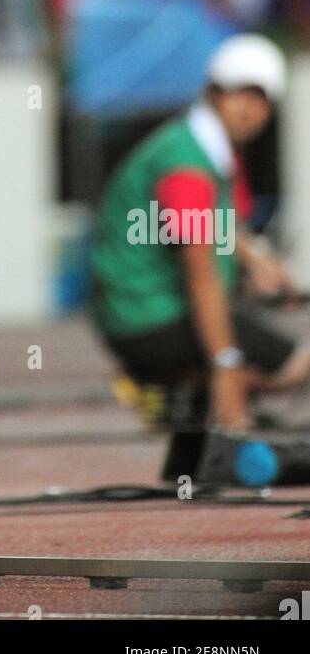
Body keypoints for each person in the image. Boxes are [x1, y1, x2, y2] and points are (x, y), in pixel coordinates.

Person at [90, 34, 310, 432]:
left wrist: (256, 259)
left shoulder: (201, 146)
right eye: (239, 93)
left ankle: (179, 392)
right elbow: (199, 268)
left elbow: (224, 225)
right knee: (296, 365)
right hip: (148, 316)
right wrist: (225, 363)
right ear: (212, 92)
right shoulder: (186, 165)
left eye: (262, 98)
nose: (251, 109)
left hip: (139, 310)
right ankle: (186, 389)